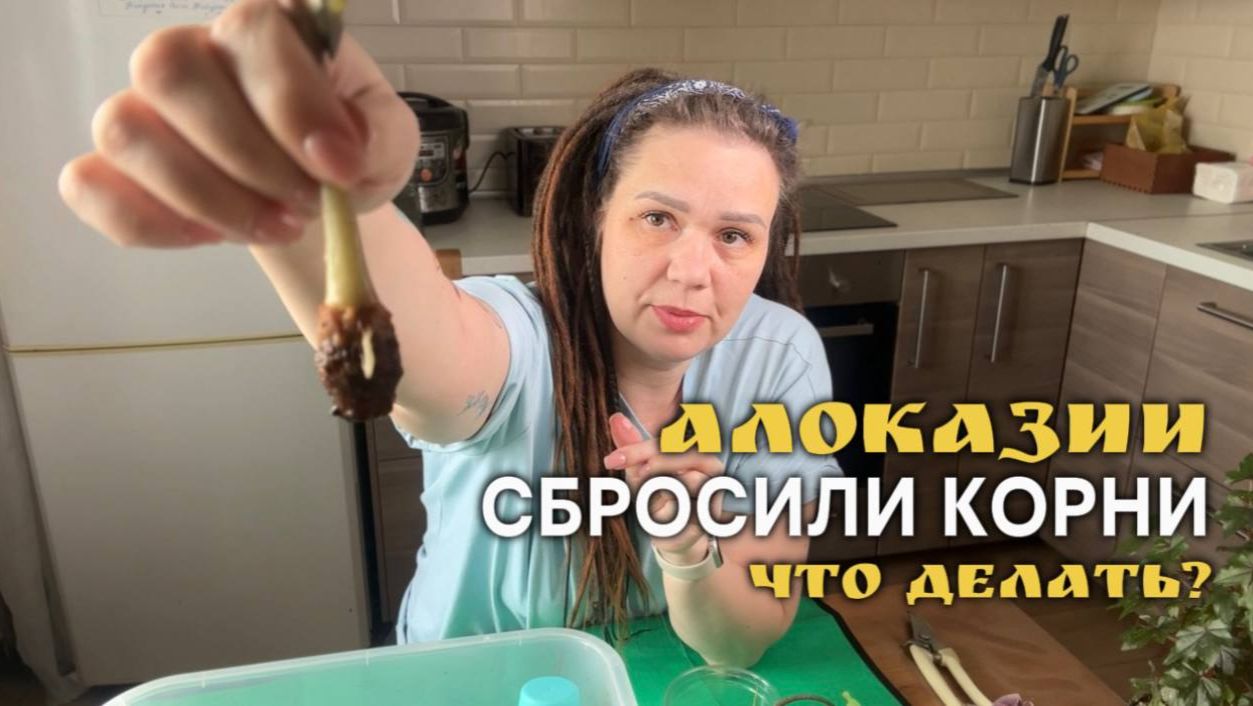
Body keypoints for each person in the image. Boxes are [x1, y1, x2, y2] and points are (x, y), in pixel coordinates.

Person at [58, 0, 841, 668]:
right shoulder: (517, 339)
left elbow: (737, 645)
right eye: (657, 217)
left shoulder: (779, 359)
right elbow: (430, 351)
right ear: (596, 218)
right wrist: (314, 184)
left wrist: (688, 544)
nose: (693, 270)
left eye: (733, 235)